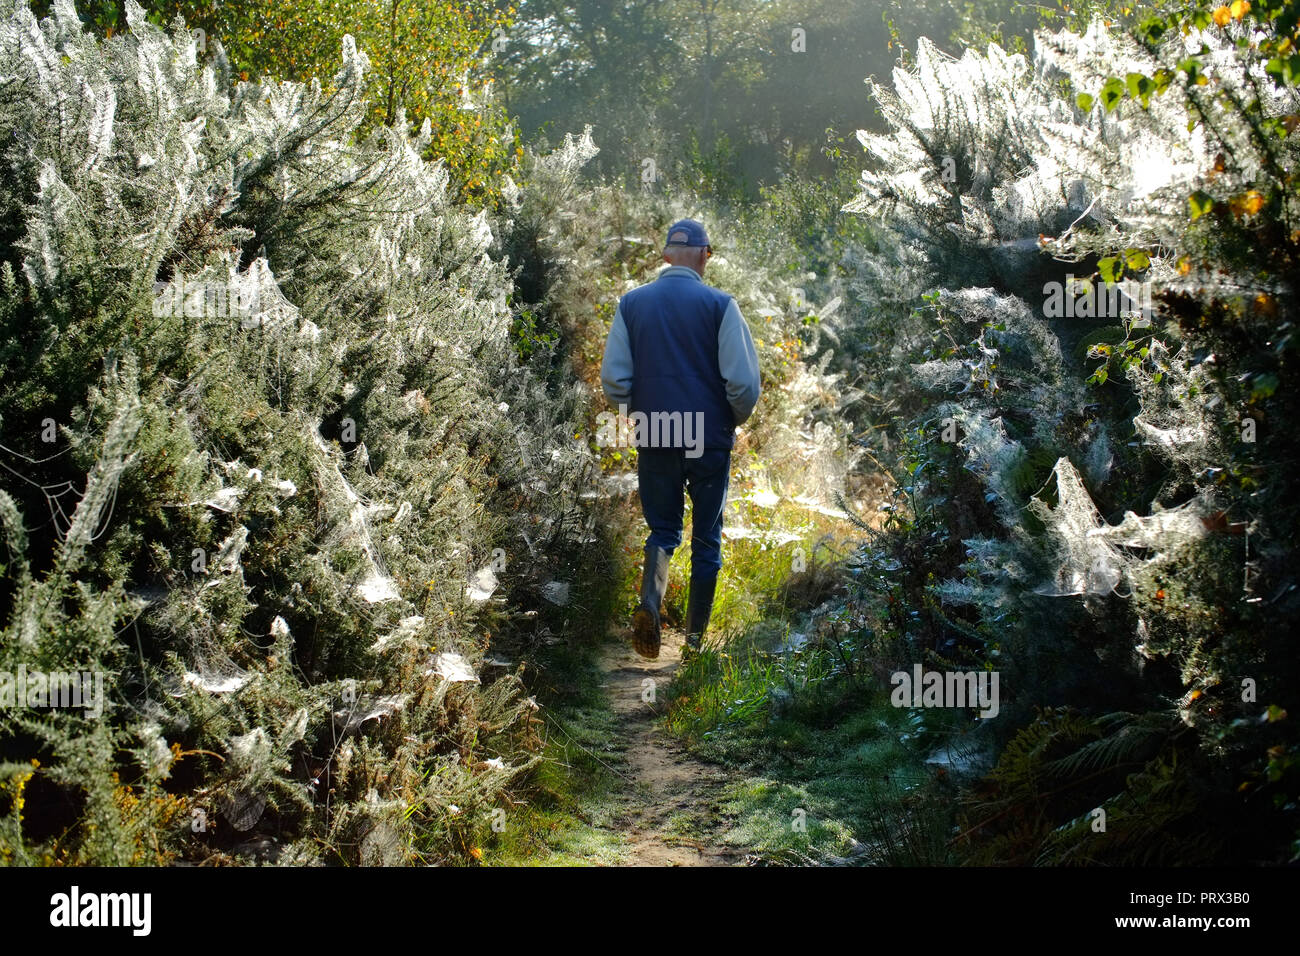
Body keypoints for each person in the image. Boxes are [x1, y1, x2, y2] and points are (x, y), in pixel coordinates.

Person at [600, 218, 761, 659]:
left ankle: (650, 603)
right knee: (706, 539)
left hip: (656, 433)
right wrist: (730, 420)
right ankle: (692, 647)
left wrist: (639, 415)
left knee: (663, 529)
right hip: (708, 438)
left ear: (667, 256)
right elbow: (743, 384)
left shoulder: (632, 304)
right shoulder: (721, 305)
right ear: (705, 256)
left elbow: (614, 380)